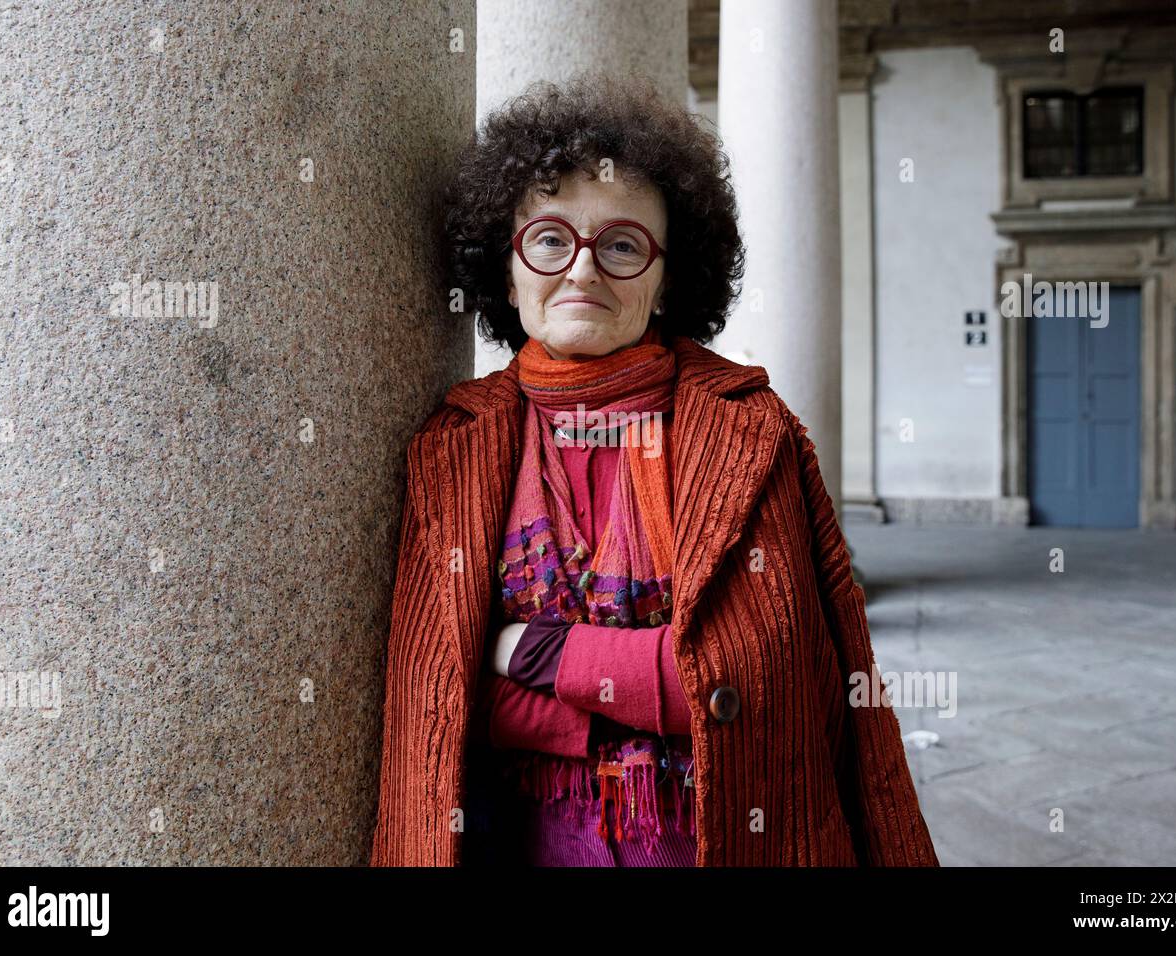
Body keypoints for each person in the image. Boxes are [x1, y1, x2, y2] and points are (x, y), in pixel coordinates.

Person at [370, 72, 939, 867]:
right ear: (505, 269)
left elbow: (756, 681)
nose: (581, 271)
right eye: (548, 238)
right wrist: (635, 694)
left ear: (669, 279)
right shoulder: (452, 446)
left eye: (624, 245)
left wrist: (528, 654)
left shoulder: (749, 430)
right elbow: (445, 700)